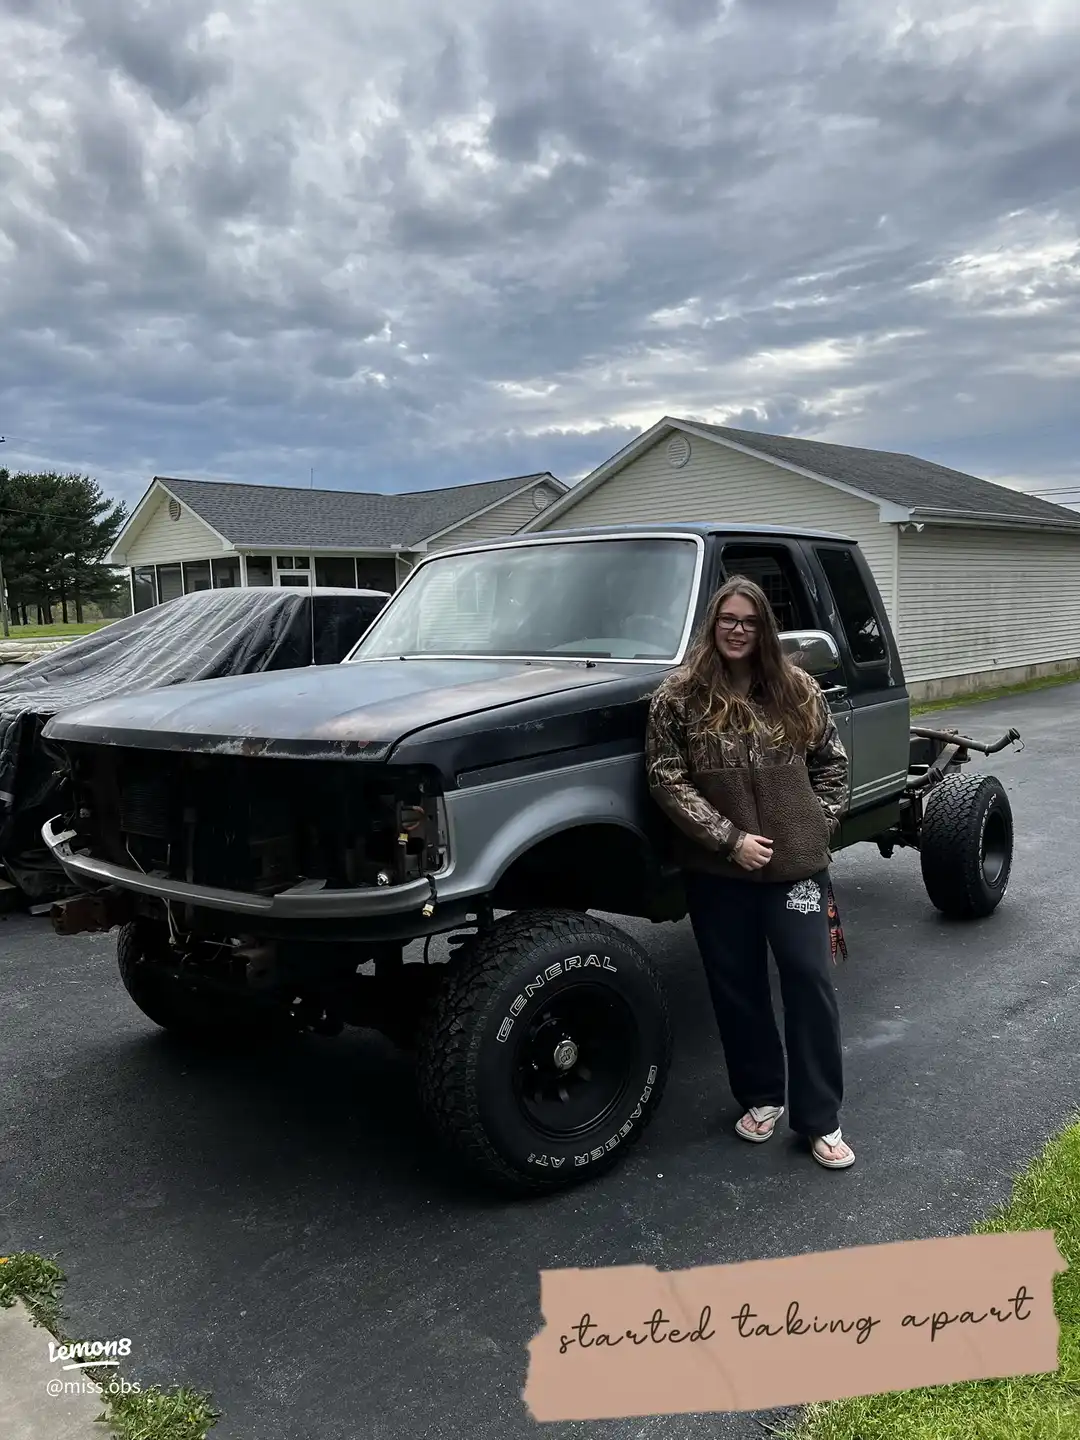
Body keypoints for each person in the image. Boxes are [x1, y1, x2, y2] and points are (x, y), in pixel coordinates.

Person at [645, 575, 855, 1170]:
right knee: (735, 988)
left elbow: (833, 766)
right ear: (713, 625)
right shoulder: (678, 699)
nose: (738, 631)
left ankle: (820, 1119)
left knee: (809, 981)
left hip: (796, 873)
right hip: (718, 874)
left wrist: (816, 827)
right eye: (728, 620)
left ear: (766, 629)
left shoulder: (798, 690)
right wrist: (728, 840)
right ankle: (762, 1096)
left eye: (750, 621)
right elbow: (666, 777)